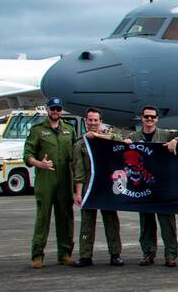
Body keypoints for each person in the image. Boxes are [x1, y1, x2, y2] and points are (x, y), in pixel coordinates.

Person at [122, 106, 178, 266]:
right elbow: (118, 146)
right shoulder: (134, 137)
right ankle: (148, 253)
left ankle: (170, 255)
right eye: (146, 116)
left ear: (157, 119)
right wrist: (125, 143)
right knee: (146, 222)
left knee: (167, 222)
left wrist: (176, 141)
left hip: (162, 186)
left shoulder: (166, 135)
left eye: (152, 117)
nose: (149, 119)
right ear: (142, 118)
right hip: (143, 186)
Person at [24, 98, 76, 269]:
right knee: (43, 218)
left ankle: (65, 254)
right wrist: (40, 164)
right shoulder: (38, 130)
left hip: (65, 180)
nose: (56, 112)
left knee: (65, 217)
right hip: (45, 180)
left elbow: (76, 154)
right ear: (47, 109)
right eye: (53, 108)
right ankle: (37, 255)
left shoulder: (69, 130)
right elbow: (27, 154)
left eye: (58, 109)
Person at [70, 107, 122, 267]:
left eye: (96, 120)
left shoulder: (108, 138)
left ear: (100, 122)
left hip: (106, 185)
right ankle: (85, 255)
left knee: (111, 220)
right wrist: (78, 193)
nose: (93, 123)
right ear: (85, 121)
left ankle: (115, 254)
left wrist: (98, 136)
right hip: (89, 185)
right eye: (90, 120)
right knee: (87, 222)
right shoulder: (80, 144)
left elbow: (119, 140)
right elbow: (78, 170)